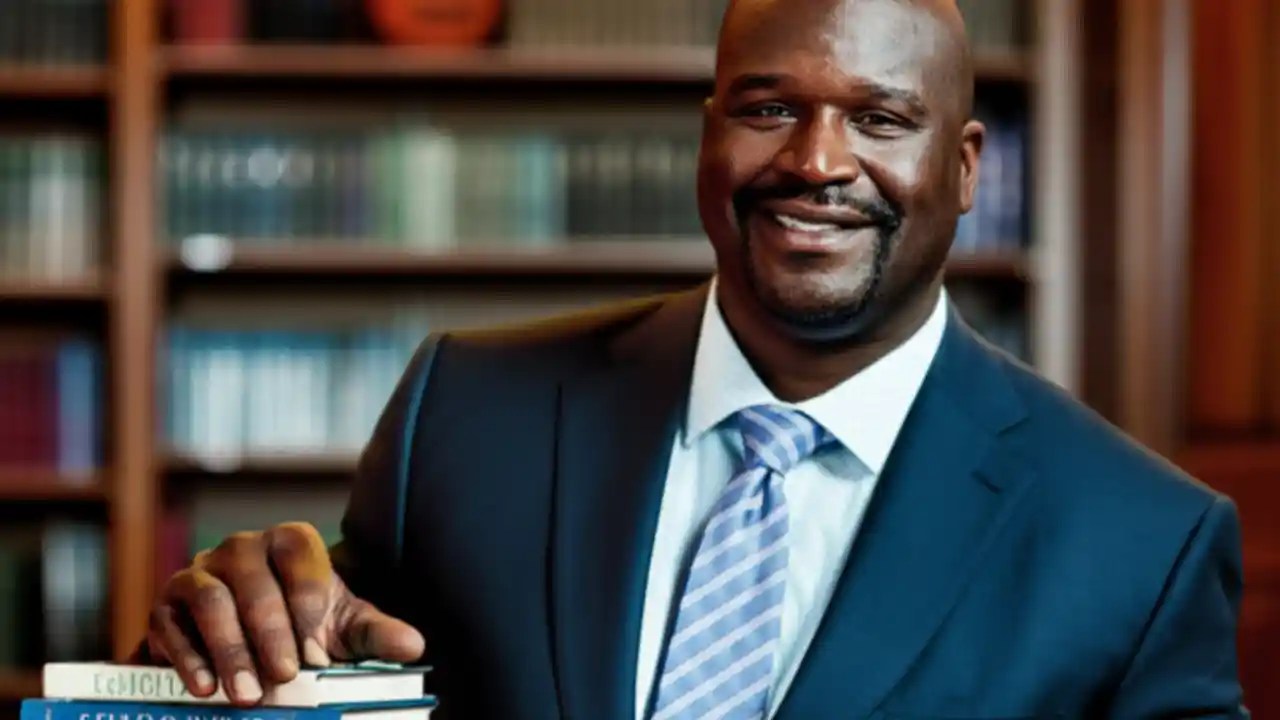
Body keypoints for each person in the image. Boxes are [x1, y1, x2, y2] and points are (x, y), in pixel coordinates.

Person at [137, 0, 1249, 718]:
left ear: (963, 167)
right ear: (707, 137)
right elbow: (309, 663)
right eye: (768, 108)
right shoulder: (468, 416)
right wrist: (215, 642)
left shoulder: (1137, 544)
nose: (816, 162)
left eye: (879, 119)